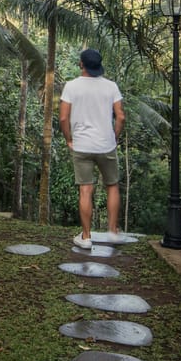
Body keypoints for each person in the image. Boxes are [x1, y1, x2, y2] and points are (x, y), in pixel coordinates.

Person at [59, 47, 125, 249]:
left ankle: (86, 237)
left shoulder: (71, 86)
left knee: (85, 190)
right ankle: (113, 232)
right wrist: (113, 136)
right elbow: (120, 116)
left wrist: (69, 139)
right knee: (112, 186)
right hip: (106, 144)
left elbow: (63, 117)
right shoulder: (111, 86)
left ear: (81, 64)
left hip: (82, 145)